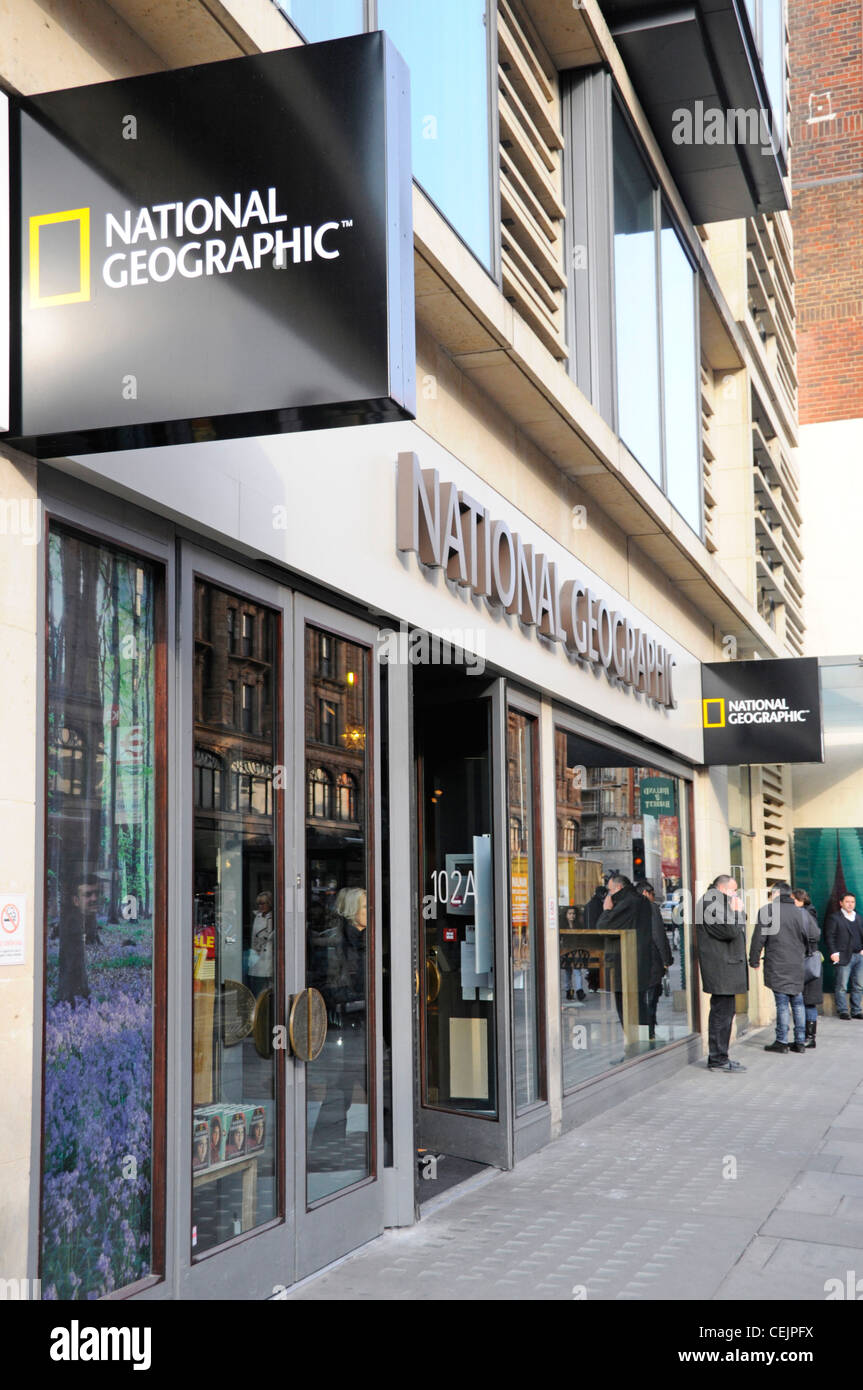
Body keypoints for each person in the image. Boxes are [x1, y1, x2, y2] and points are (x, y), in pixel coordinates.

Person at [749, 881, 812, 1054]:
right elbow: (813, 935)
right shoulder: (801, 913)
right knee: (798, 1002)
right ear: (790, 894)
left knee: (782, 1003)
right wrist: (804, 952)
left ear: (775, 894)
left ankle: (781, 1041)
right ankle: (800, 1041)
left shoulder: (768, 911)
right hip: (797, 963)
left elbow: (758, 939)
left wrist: (753, 960)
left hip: (777, 963)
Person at [695, 874, 748, 1072]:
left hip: (726, 968)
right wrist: (736, 912)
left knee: (726, 1014)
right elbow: (730, 931)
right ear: (723, 888)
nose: (736, 894)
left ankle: (721, 1056)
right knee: (721, 1015)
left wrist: (737, 912)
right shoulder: (711, 902)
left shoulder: (718, 902)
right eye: (733, 890)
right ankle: (717, 1059)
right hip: (721, 969)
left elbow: (738, 923)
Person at [596, 873, 653, 1041]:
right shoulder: (640, 901)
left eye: (610, 890)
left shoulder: (627, 902)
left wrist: (606, 910)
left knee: (627, 1008)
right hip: (638, 962)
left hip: (625, 963)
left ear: (619, 888)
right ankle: (643, 1042)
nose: (608, 895)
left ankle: (636, 1045)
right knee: (639, 1005)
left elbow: (604, 928)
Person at [635, 878, 673, 1041]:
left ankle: (641, 1030)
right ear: (645, 893)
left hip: (634, 959)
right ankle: (649, 1030)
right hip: (651, 959)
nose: (653, 897)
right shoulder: (650, 907)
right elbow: (658, 935)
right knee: (652, 996)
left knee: (639, 997)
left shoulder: (628, 907)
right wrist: (666, 959)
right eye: (652, 894)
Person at [56, 873, 101, 1006]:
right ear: (75, 901)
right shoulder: (71, 925)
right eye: (87, 895)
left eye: (96, 893)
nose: (94, 898)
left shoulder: (88, 922)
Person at [825, 892, 863, 1020]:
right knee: (842, 985)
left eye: (852, 902)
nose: (850, 904)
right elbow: (830, 936)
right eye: (847, 901)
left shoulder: (858, 917)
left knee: (859, 985)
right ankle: (843, 1011)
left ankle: (856, 1010)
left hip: (859, 956)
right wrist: (834, 953)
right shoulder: (834, 918)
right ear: (841, 903)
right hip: (843, 956)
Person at [793, 888, 822, 1047]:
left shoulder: (806, 914)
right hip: (808, 962)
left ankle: (809, 1037)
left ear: (801, 900)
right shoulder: (808, 913)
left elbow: (813, 936)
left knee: (808, 1001)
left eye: (794, 900)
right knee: (807, 1001)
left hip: (808, 963)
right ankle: (808, 1036)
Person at [247, 890, 274, 997]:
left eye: (263, 903)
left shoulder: (274, 917)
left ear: (270, 903)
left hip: (268, 956)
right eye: (259, 904)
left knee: (267, 988)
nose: (260, 906)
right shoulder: (257, 917)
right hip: (257, 956)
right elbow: (254, 938)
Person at [560, 905, 587, 1003]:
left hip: (576, 950)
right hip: (566, 951)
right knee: (568, 972)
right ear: (566, 915)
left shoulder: (579, 925)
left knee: (577, 970)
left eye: (574, 914)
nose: (572, 916)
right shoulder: (562, 925)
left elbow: (582, 937)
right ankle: (569, 991)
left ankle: (579, 991)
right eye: (570, 914)